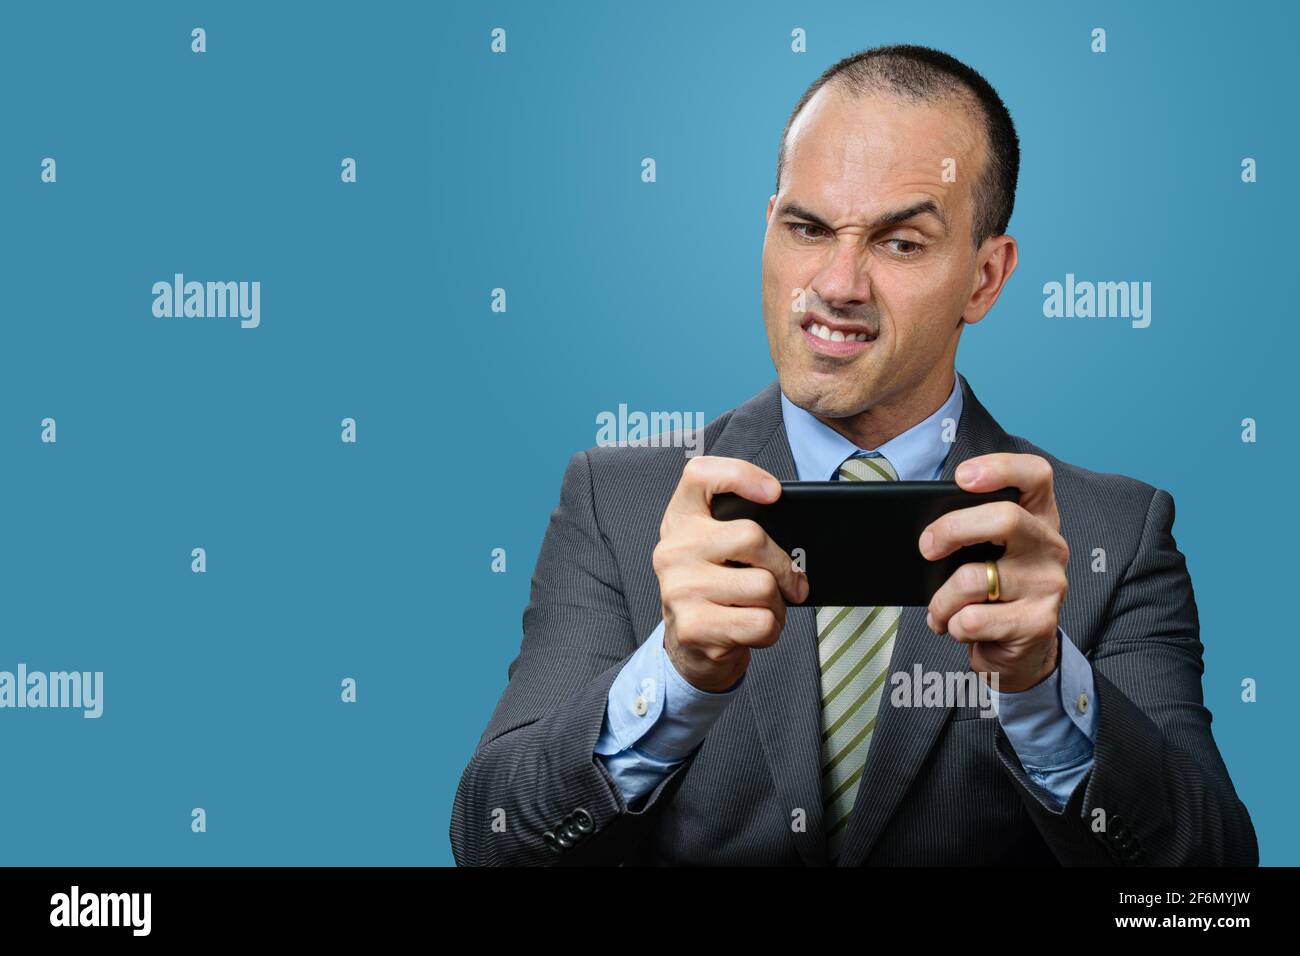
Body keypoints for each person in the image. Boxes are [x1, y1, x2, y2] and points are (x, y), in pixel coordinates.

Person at [449, 44, 1258, 866]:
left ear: (986, 277)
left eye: (901, 243)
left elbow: (1209, 886)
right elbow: (491, 842)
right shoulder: (614, 502)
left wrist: (1046, 687)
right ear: (769, 229)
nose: (835, 284)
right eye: (807, 228)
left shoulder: (1113, 535)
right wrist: (672, 677)